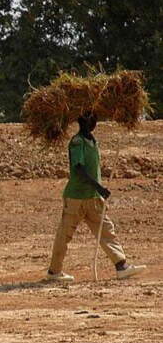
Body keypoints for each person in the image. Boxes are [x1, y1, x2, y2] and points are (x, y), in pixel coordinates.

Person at [46, 112, 146, 282]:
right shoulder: (77, 142)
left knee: (106, 230)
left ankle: (121, 266)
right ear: (82, 121)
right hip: (76, 197)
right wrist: (99, 187)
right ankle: (54, 272)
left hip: (93, 198)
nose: (94, 123)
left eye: (94, 120)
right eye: (91, 120)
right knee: (64, 235)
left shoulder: (93, 141)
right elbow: (78, 168)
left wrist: (97, 189)